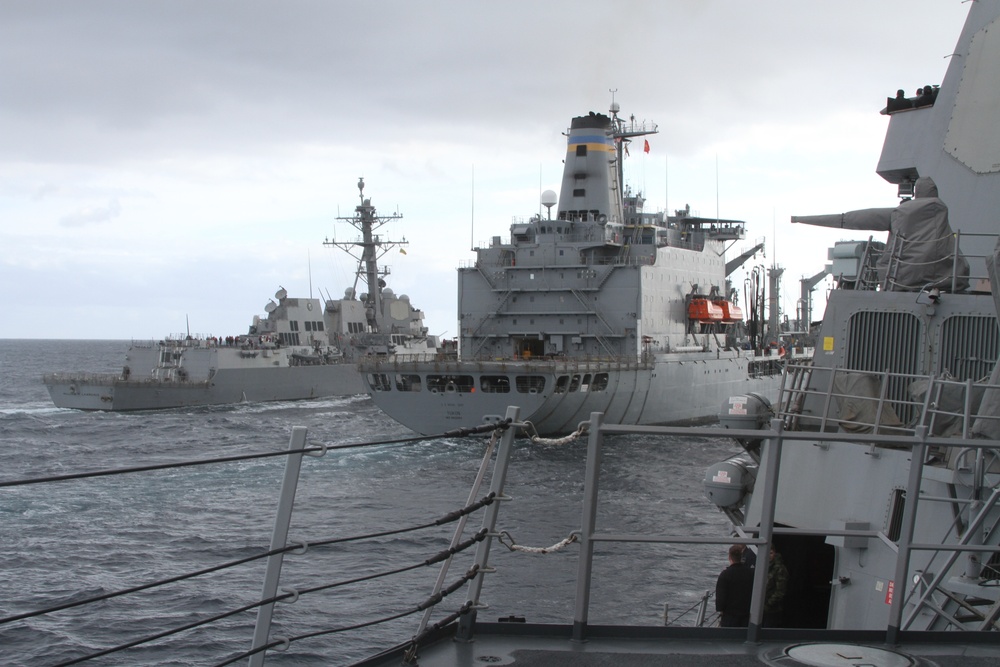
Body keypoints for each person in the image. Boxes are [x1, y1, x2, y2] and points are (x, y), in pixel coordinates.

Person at [791, 176, 969, 292]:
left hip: (904, 279)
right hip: (946, 277)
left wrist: (801, 219)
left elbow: (853, 219)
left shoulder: (900, 212)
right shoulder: (942, 210)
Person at [715, 545, 755, 627]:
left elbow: (721, 596)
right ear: (741, 557)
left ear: (729, 557)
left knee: (729, 638)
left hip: (730, 615)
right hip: (746, 614)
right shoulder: (750, 573)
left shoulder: (725, 574)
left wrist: (720, 609)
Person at [763, 547, 789, 627]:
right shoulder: (763, 566)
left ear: (774, 553)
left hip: (773, 609)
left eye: (771, 553)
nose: (769, 556)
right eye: (767, 553)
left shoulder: (780, 569)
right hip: (762, 607)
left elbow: (780, 591)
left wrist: (768, 604)